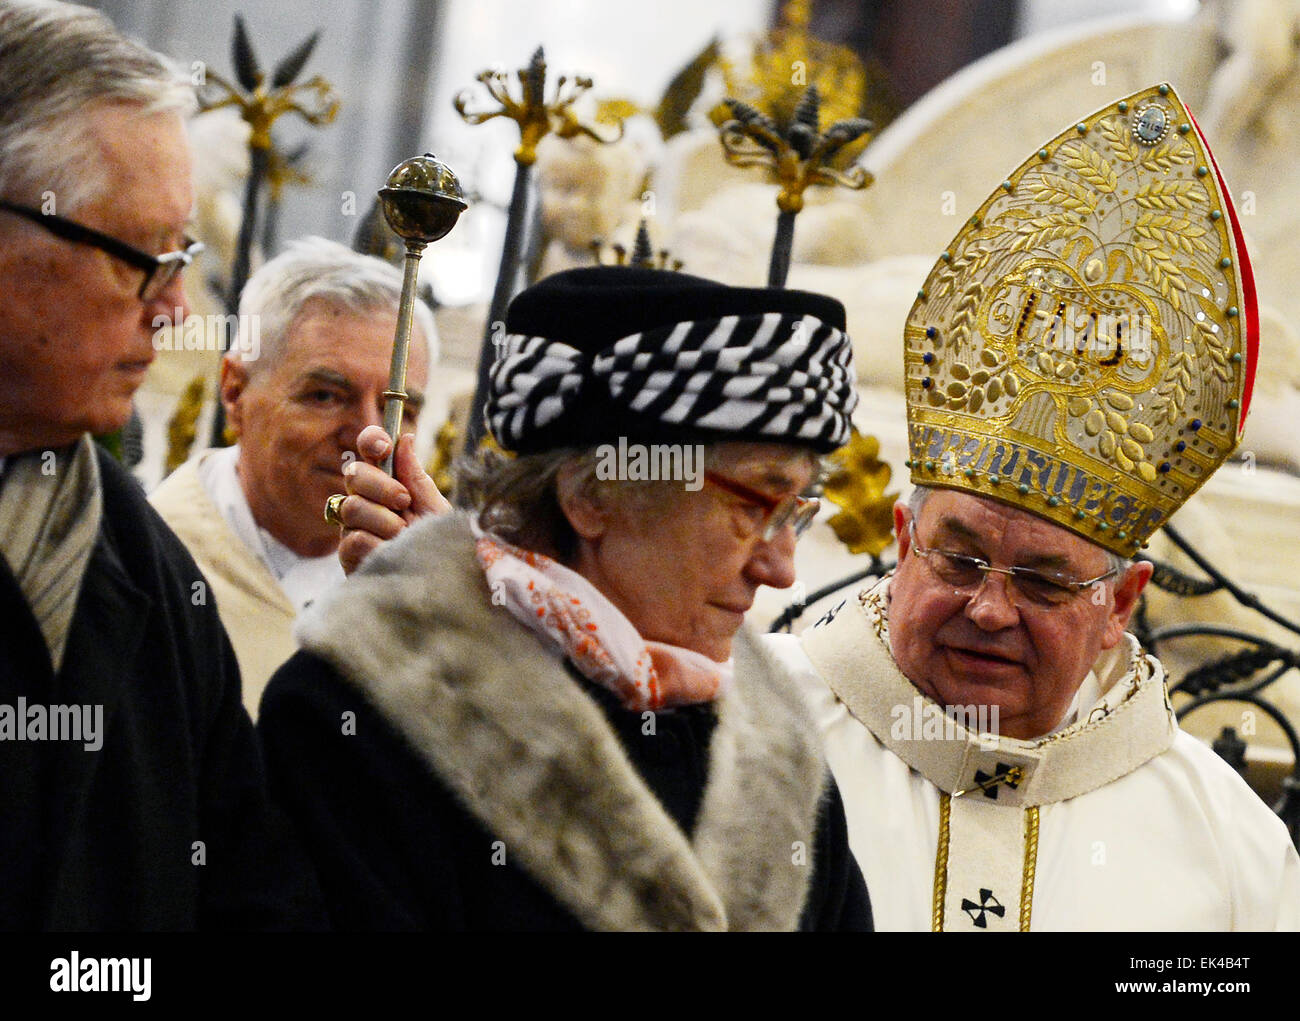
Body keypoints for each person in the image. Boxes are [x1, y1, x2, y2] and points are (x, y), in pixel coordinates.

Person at [767, 83, 1300, 930]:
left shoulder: (1228, 845)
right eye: (960, 556)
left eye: (1047, 582)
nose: (988, 608)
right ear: (903, 539)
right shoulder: (752, 734)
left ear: (1122, 603)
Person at [258, 266, 872, 930]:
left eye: (796, 513)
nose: (781, 569)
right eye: (754, 506)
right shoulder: (361, 720)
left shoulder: (774, 751)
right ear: (591, 494)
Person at [0, 0, 320, 929]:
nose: (178, 311)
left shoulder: (140, 565)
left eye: (183, 260)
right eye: (144, 260)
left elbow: (251, 889)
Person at [150, 236, 435, 712]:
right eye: (325, 396)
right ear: (235, 393)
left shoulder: (423, 594)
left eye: (398, 409)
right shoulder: (148, 566)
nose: (370, 436)